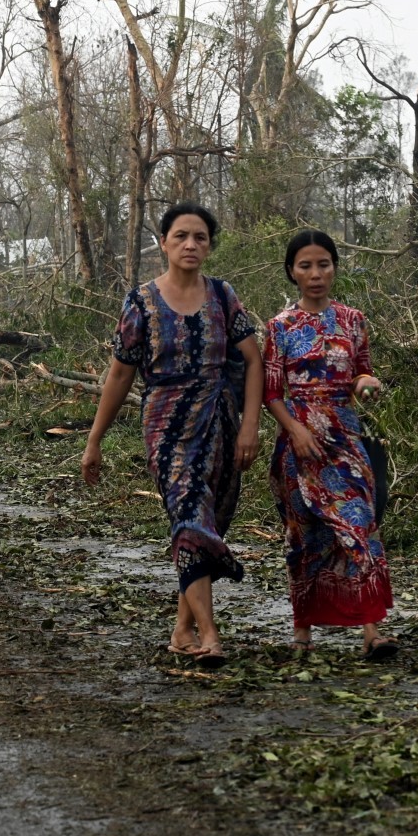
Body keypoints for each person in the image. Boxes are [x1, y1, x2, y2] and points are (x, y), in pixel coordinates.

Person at [81, 204, 262, 667]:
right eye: (181, 236)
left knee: (210, 522)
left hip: (220, 424)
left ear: (209, 245)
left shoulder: (223, 296)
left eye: (200, 237)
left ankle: (182, 629)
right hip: (166, 427)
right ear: (163, 242)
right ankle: (209, 634)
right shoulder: (140, 302)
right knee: (188, 516)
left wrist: (248, 427)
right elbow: (121, 373)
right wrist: (94, 440)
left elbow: (254, 361)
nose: (190, 245)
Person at [263, 229, 398, 661]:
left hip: (345, 437)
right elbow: (271, 393)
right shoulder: (279, 327)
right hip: (298, 441)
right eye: (305, 265)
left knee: (359, 525)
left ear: (334, 267)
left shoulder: (354, 320)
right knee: (303, 533)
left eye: (323, 264)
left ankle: (371, 632)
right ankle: (302, 631)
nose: (315, 273)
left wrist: (367, 382)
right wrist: (296, 432)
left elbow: (360, 372)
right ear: (291, 272)